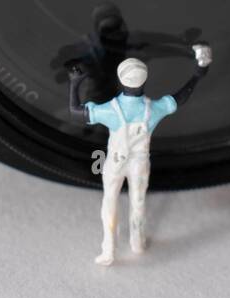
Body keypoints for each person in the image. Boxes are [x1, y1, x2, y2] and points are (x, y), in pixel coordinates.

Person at [68, 45, 212, 266]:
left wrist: (75, 83)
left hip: (116, 162)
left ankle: (109, 249)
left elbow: (75, 112)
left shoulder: (110, 110)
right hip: (140, 162)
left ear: (120, 79)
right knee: (138, 201)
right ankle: (137, 241)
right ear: (144, 82)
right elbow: (180, 97)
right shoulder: (153, 109)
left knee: (110, 201)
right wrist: (198, 73)